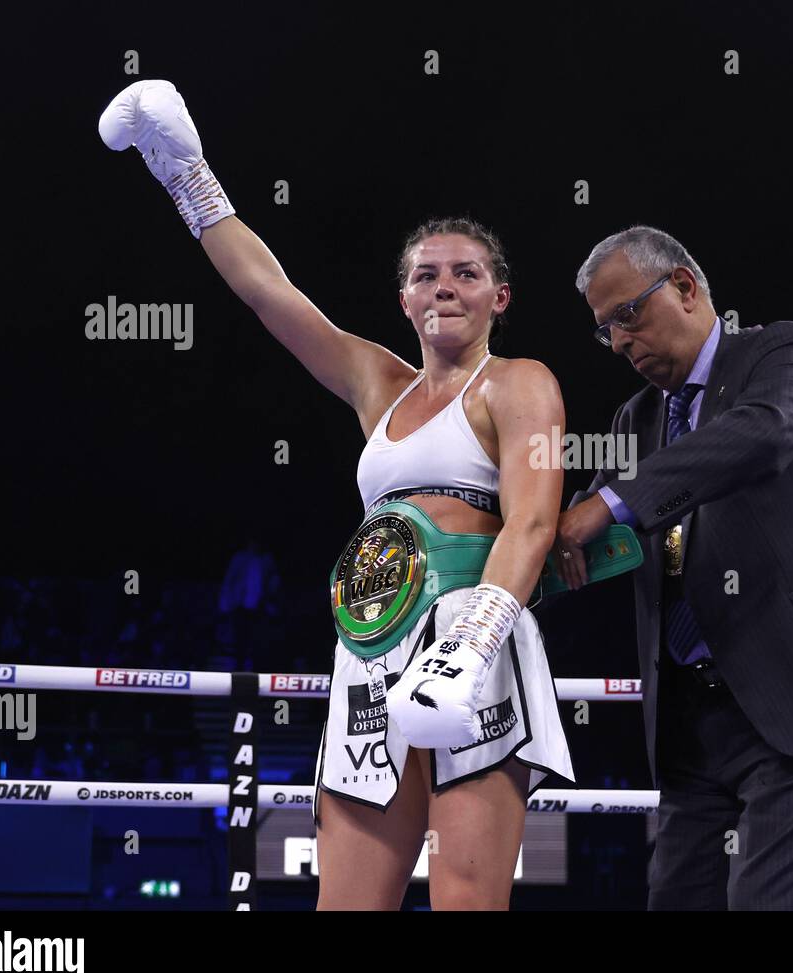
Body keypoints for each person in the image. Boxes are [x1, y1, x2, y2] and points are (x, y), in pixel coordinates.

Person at [99, 79, 574, 910]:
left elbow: (532, 521)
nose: (445, 286)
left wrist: (467, 648)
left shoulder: (520, 383)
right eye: (427, 275)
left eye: (467, 274)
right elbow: (267, 293)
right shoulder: (378, 385)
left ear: (500, 297)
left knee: (467, 897)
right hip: (369, 651)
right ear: (405, 299)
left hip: (475, 640)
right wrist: (183, 170)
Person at [555, 225, 793, 910]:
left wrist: (607, 502)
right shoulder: (635, 419)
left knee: (768, 901)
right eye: (604, 330)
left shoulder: (778, 352)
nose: (619, 343)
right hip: (692, 720)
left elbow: (761, 432)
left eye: (627, 315)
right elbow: (583, 529)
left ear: (686, 288)